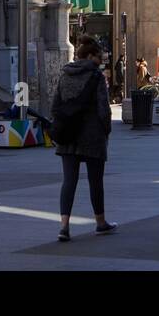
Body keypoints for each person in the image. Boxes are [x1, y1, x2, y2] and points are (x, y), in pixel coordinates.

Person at [52, 39, 117, 241]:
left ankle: (64, 227)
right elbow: (103, 109)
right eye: (99, 57)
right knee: (95, 181)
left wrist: (61, 125)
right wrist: (106, 130)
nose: (100, 61)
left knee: (69, 181)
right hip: (92, 135)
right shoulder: (96, 76)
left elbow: (55, 105)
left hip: (68, 135)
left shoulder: (65, 74)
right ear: (90, 56)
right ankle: (100, 222)